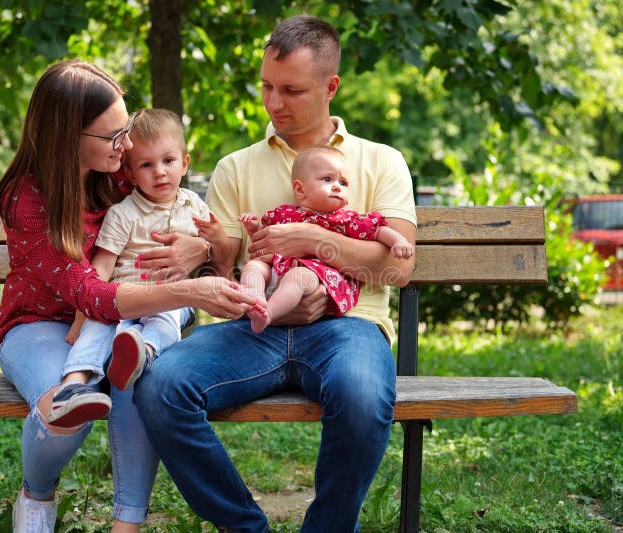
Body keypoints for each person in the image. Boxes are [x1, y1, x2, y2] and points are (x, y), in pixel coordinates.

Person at [135, 15, 417, 533]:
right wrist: (211, 251)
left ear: (330, 87)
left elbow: (399, 267)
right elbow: (225, 267)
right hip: (254, 326)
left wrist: (313, 243)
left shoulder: (381, 161)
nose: (273, 102)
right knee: (160, 386)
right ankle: (246, 528)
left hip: (349, 327)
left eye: (291, 89)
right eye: (266, 85)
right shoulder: (235, 168)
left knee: (360, 397)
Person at [0, 60, 254, 533]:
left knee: (135, 373)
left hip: (128, 320)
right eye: (114, 136)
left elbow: (173, 205)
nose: (128, 146)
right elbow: (90, 292)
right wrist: (191, 289)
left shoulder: (118, 172)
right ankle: (37, 495)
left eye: (126, 129)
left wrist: (202, 247)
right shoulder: (27, 198)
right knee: (69, 403)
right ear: (67, 136)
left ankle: (126, 523)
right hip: (40, 324)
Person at [49, 108, 211, 428]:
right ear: (132, 175)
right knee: (97, 326)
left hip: (171, 296)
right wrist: (82, 315)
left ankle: (143, 353)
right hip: (123, 296)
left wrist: (209, 249)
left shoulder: (196, 207)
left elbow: (213, 252)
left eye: (168, 161)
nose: (160, 172)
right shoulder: (123, 213)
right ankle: (72, 385)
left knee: (166, 318)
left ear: (185, 162)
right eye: (146, 165)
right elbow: (102, 267)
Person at [238, 145, 414, 333]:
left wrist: (398, 241)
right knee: (253, 267)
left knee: (297, 277)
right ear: (300, 189)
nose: (337, 186)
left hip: (315, 275)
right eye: (327, 179)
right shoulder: (283, 214)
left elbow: (378, 231)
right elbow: (264, 242)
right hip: (277, 267)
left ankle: (268, 313)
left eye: (344, 183)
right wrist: (253, 227)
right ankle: (255, 301)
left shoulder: (346, 219)